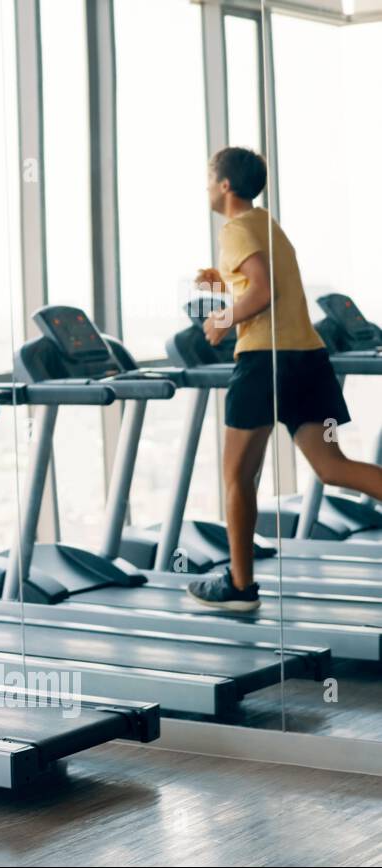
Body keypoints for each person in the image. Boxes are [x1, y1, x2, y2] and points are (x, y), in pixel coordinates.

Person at [187, 146, 382, 611]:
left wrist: (222, 320)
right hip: (307, 358)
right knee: (333, 466)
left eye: (209, 178)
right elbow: (264, 282)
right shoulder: (266, 224)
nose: (207, 187)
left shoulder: (235, 228)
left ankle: (240, 586)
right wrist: (225, 283)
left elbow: (263, 290)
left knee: (237, 474)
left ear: (225, 185)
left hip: (264, 362)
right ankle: (240, 580)